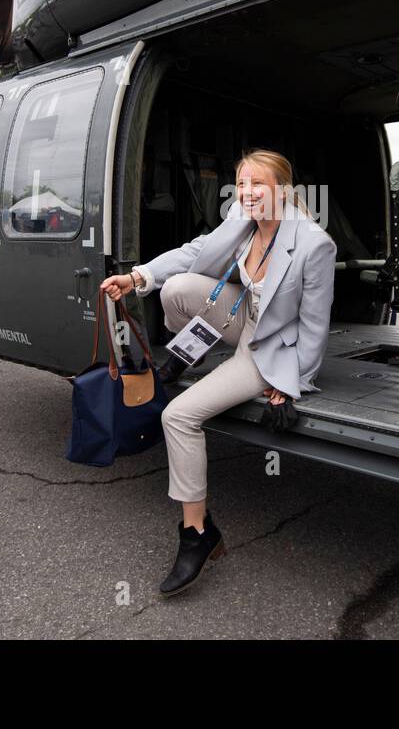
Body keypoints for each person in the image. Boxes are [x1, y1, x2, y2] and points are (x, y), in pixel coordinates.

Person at [100, 149, 337, 596]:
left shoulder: (314, 243)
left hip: (267, 343)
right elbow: (195, 251)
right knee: (178, 287)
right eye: (242, 183)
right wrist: (136, 278)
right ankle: (188, 352)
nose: (247, 193)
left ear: (283, 190)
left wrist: (288, 385)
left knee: (178, 416)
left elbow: (314, 325)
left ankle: (197, 534)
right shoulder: (241, 220)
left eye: (257, 185)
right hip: (241, 312)